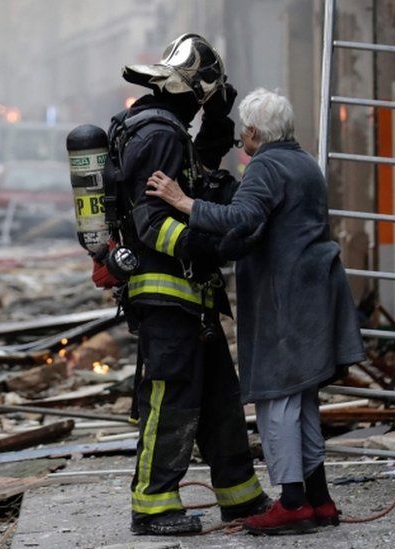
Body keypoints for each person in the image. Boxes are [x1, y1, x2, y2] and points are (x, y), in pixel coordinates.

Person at [146, 88, 367, 535]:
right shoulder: (304, 162)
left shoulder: (265, 165)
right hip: (315, 294)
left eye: (241, 132)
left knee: (277, 399)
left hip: (286, 300)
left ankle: (291, 502)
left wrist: (181, 201)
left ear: (250, 131)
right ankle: (319, 500)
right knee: (303, 399)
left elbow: (240, 219)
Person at [107, 33, 270, 536]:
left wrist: (220, 120)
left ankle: (241, 497)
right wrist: (212, 244)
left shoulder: (165, 127)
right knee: (171, 398)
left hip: (190, 299)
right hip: (166, 294)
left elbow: (199, 170)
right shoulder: (161, 133)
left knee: (221, 396)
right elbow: (156, 223)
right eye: (205, 99)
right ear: (192, 91)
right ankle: (153, 504)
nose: (204, 110)